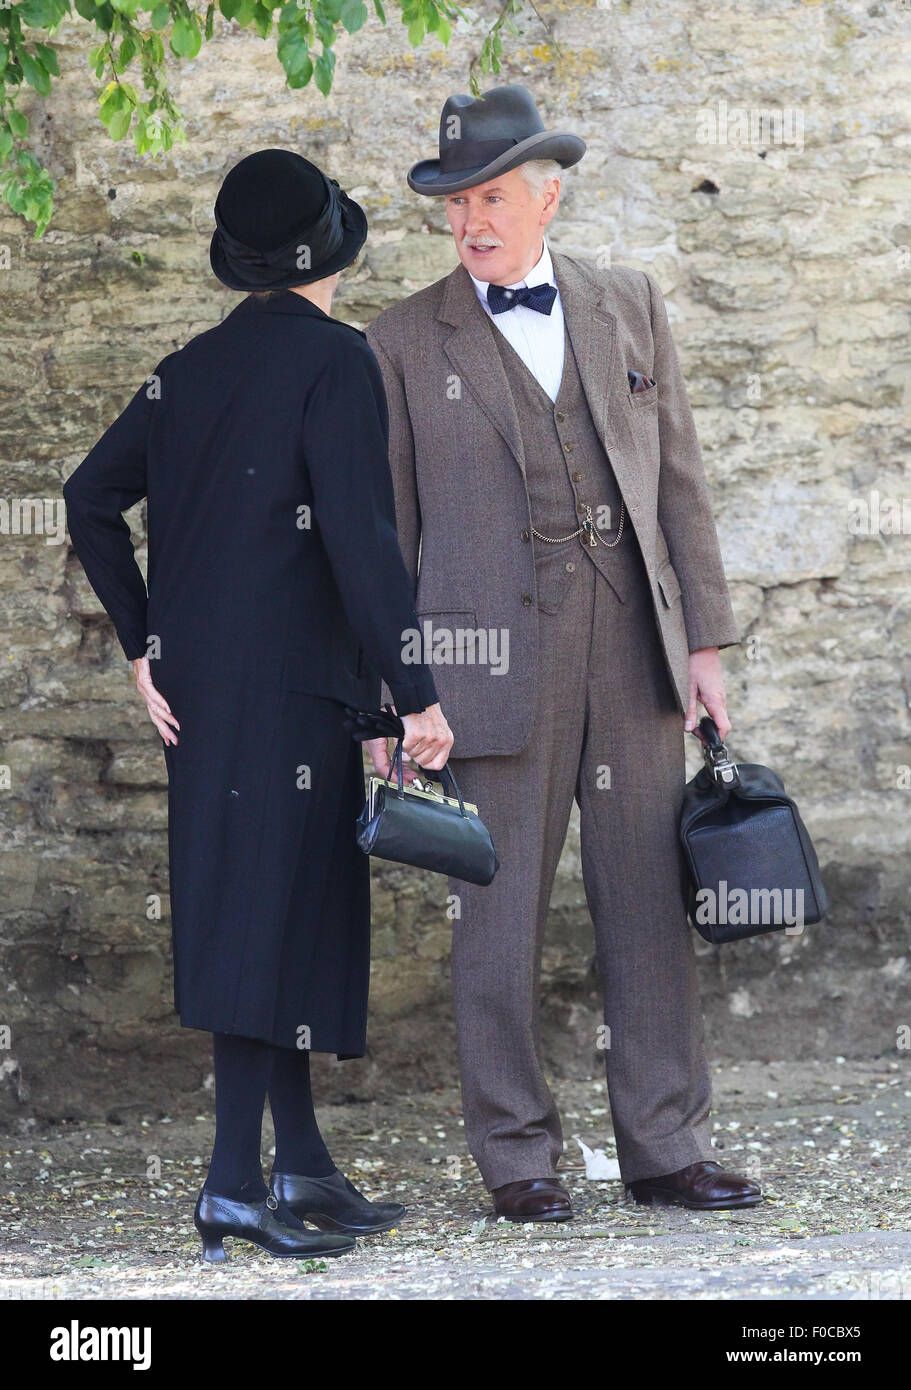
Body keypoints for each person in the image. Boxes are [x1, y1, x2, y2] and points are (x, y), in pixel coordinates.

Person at [364, 85, 761, 1221]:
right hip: (482, 662)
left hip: (631, 641)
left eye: (491, 196)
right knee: (497, 919)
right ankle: (516, 1156)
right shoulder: (398, 341)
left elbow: (678, 480)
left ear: (547, 195)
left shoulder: (629, 305)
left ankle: (665, 1144)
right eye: (453, 202)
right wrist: (403, 690)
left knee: (646, 901)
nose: (469, 221)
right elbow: (386, 534)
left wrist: (705, 644)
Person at [62, 148, 453, 1262]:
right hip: (287, 694)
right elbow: (363, 547)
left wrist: (145, 643)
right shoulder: (338, 361)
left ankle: (302, 1165)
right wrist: (415, 695)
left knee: (270, 911)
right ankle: (233, 1186)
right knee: (262, 918)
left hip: (216, 696)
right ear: (330, 253)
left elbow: (89, 503)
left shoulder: (185, 369)